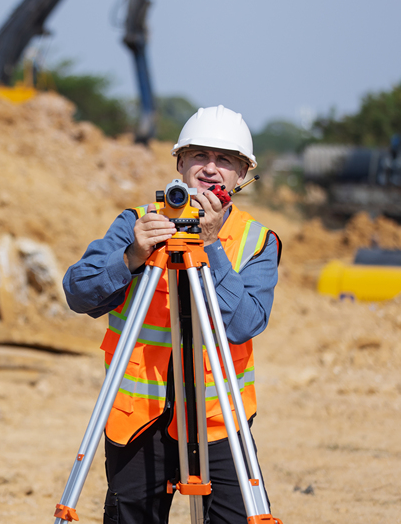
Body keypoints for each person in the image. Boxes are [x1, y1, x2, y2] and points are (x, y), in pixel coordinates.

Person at [63, 106, 280, 524]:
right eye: (200, 155)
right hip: (138, 417)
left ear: (242, 175)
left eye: (226, 160)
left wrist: (212, 247)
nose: (211, 169)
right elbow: (78, 292)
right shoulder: (139, 223)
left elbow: (244, 324)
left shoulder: (256, 241)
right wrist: (131, 257)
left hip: (218, 422)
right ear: (180, 163)